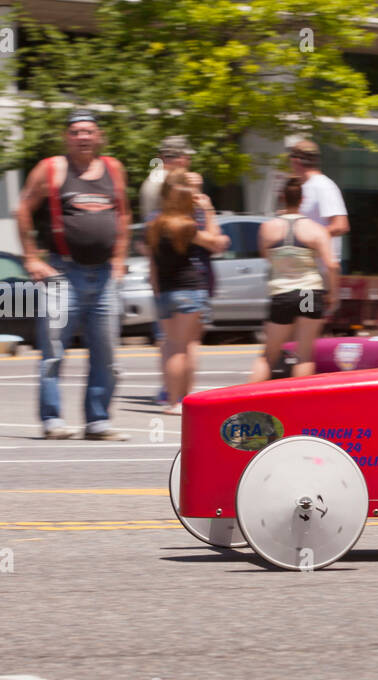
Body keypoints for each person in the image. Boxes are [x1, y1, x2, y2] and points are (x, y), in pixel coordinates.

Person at [16, 109, 132, 440]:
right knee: (53, 350)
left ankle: (98, 421)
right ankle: (52, 420)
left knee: (106, 351)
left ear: (99, 136)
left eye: (89, 131)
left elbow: (123, 213)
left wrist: (122, 257)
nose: (83, 137)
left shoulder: (113, 168)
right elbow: (23, 208)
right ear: (67, 137)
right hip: (62, 272)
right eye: (76, 132)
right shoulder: (51, 169)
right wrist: (30, 257)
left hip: (106, 275)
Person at [148, 171, 228, 413]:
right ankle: (181, 401)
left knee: (171, 346)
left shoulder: (155, 225)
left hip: (165, 293)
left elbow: (153, 264)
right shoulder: (186, 226)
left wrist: (156, 290)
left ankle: (172, 400)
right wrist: (209, 211)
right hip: (189, 291)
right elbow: (216, 243)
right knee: (184, 347)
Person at [248, 178, 340, 382]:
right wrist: (333, 294)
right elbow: (332, 265)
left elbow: (266, 256)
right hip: (309, 292)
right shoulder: (316, 229)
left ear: (281, 198)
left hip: (281, 293)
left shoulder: (267, 228)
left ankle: (245, 402)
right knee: (304, 354)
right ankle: (300, 405)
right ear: (303, 199)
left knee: (268, 355)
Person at [288, 140, 348, 261]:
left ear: (296, 160)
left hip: (322, 269)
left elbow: (341, 226)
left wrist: (304, 241)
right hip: (306, 267)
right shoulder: (304, 186)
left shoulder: (323, 186)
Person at [140, 135, 195, 223]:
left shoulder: (154, 177)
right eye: (188, 158)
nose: (189, 163)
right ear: (181, 159)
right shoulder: (172, 181)